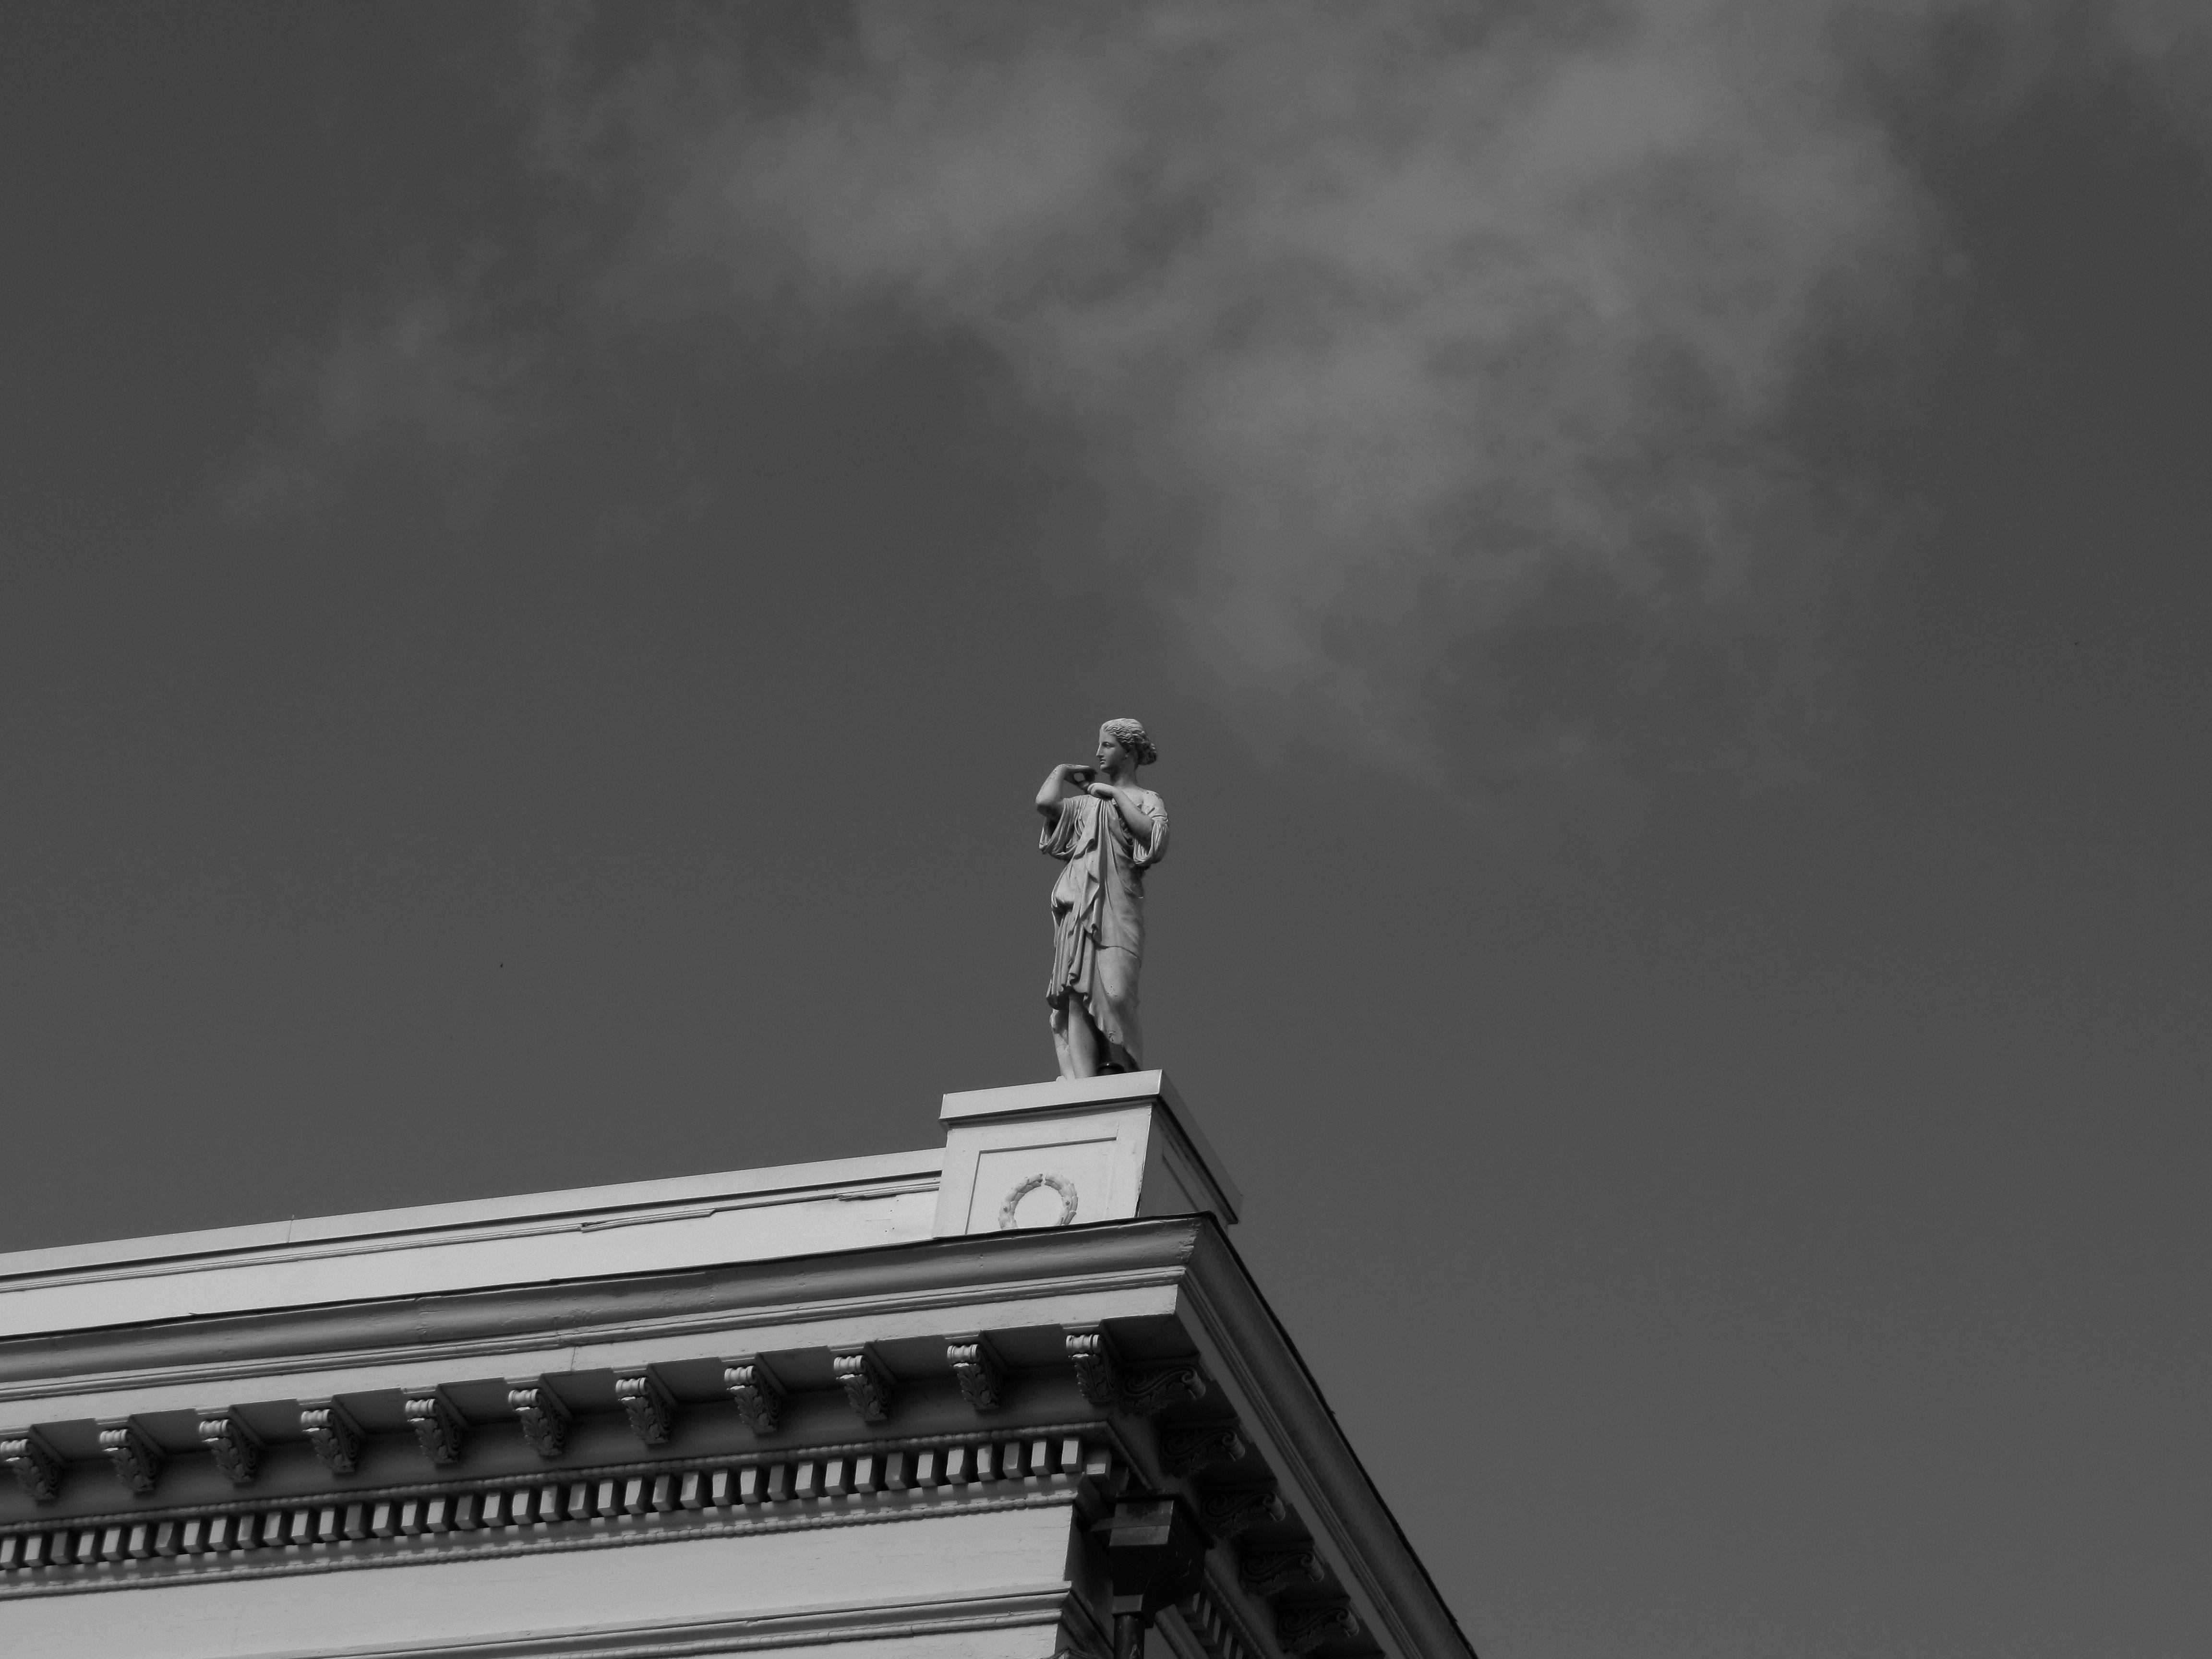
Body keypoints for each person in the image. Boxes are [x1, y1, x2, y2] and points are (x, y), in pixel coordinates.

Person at [1034, 719, 1169, 1079]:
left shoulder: (1145, 800)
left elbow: (1155, 840)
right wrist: (1061, 771)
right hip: (1080, 907)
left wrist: (1116, 797)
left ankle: (1121, 1066)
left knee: (1118, 991)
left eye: (1107, 745)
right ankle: (1084, 1085)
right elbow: (1046, 803)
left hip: (1118, 905)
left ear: (1128, 751)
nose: (1098, 753)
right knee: (1076, 995)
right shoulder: (1085, 805)